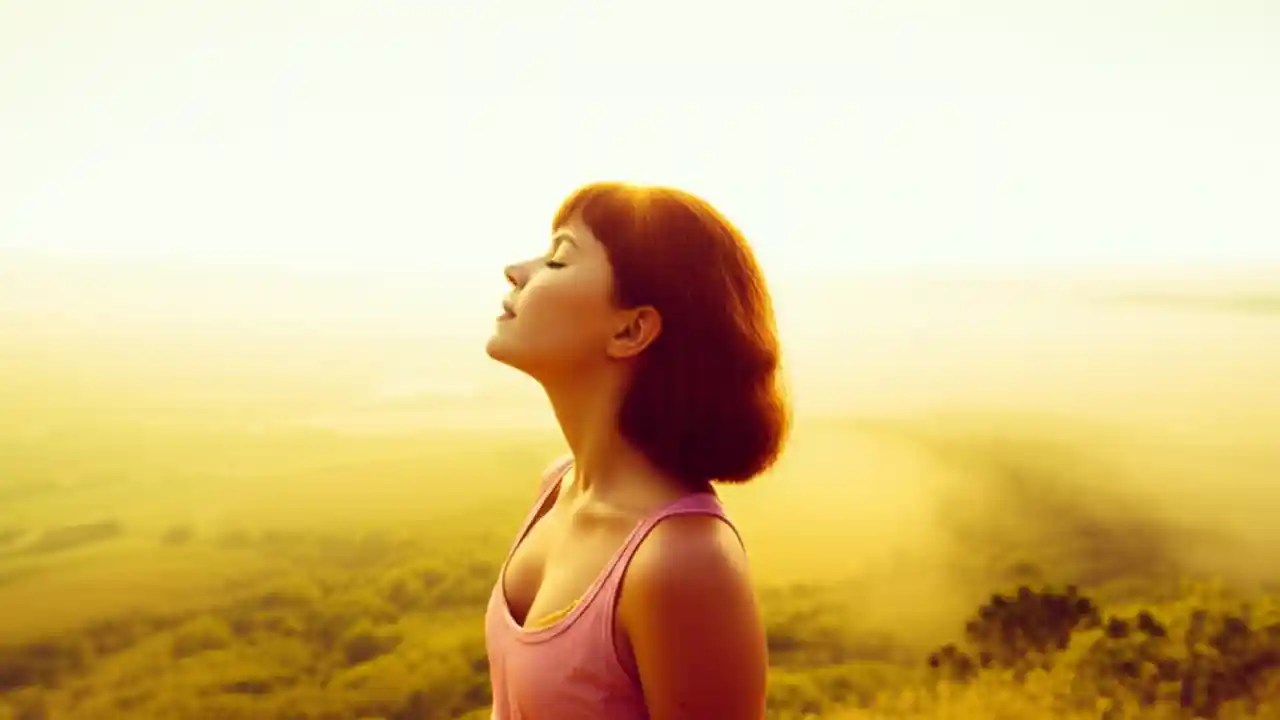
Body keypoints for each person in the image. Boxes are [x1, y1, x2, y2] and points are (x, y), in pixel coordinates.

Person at [482, 181, 790, 719]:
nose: (516, 270)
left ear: (631, 329)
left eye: (558, 259)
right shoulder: (557, 488)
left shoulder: (683, 562)